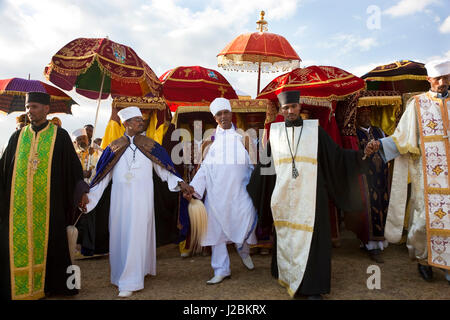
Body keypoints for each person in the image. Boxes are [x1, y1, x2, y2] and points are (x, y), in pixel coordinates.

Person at [247, 90, 373, 300]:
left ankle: (313, 287)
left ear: (299, 107)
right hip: (285, 198)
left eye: (293, 106)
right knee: (288, 239)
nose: (290, 111)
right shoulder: (275, 133)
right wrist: (254, 187)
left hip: (313, 198)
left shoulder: (315, 131)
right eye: (285, 108)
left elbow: (337, 157)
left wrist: (363, 154)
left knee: (314, 242)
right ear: (281, 110)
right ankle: (290, 279)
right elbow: (266, 168)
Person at [84, 106, 192, 297]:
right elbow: (102, 178)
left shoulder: (151, 145)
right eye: (135, 120)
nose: (140, 122)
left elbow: (165, 171)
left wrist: (180, 183)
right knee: (120, 235)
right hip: (120, 202)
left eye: (141, 120)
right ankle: (121, 275)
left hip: (143, 201)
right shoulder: (113, 147)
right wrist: (89, 198)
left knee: (136, 234)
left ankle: (130, 280)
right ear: (125, 124)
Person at [367, 59, 450, 284]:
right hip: (426, 174)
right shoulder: (417, 104)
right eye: (438, 79)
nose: (442, 83)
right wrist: (380, 145)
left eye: (446, 78)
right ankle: (424, 261)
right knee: (424, 219)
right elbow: (402, 136)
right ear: (428, 80)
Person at [0, 92, 89, 300]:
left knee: (53, 245)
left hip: (50, 206)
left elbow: (73, 170)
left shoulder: (60, 136)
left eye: (34, 107)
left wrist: (81, 191)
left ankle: (50, 286)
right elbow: (4, 169)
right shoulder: (17, 136)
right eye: (28, 107)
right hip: (18, 207)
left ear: (46, 109)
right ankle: (18, 286)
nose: (30, 111)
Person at [183, 98, 258, 285]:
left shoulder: (245, 137)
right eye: (219, 114)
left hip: (241, 193)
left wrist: (256, 189)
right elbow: (203, 170)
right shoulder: (208, 142)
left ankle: (243, 251)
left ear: (231, 113)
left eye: (226, 112)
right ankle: (221, 269)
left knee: (245, 222)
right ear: (214, 118)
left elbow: (255, 166)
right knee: (216, 232)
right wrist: (193, 189)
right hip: (216, 196)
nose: (223, 117)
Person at [345, 107, 389, 263]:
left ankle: (380, 241)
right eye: (362, 115)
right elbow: (353, 156)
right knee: (368, 209)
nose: (366, 117)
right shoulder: (354, 134)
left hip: (381, 177)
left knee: (382, 206)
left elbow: (389, 148)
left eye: (368, 114)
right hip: (365, 178)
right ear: (357, 118)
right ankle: (370, 245)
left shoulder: (379, 131)